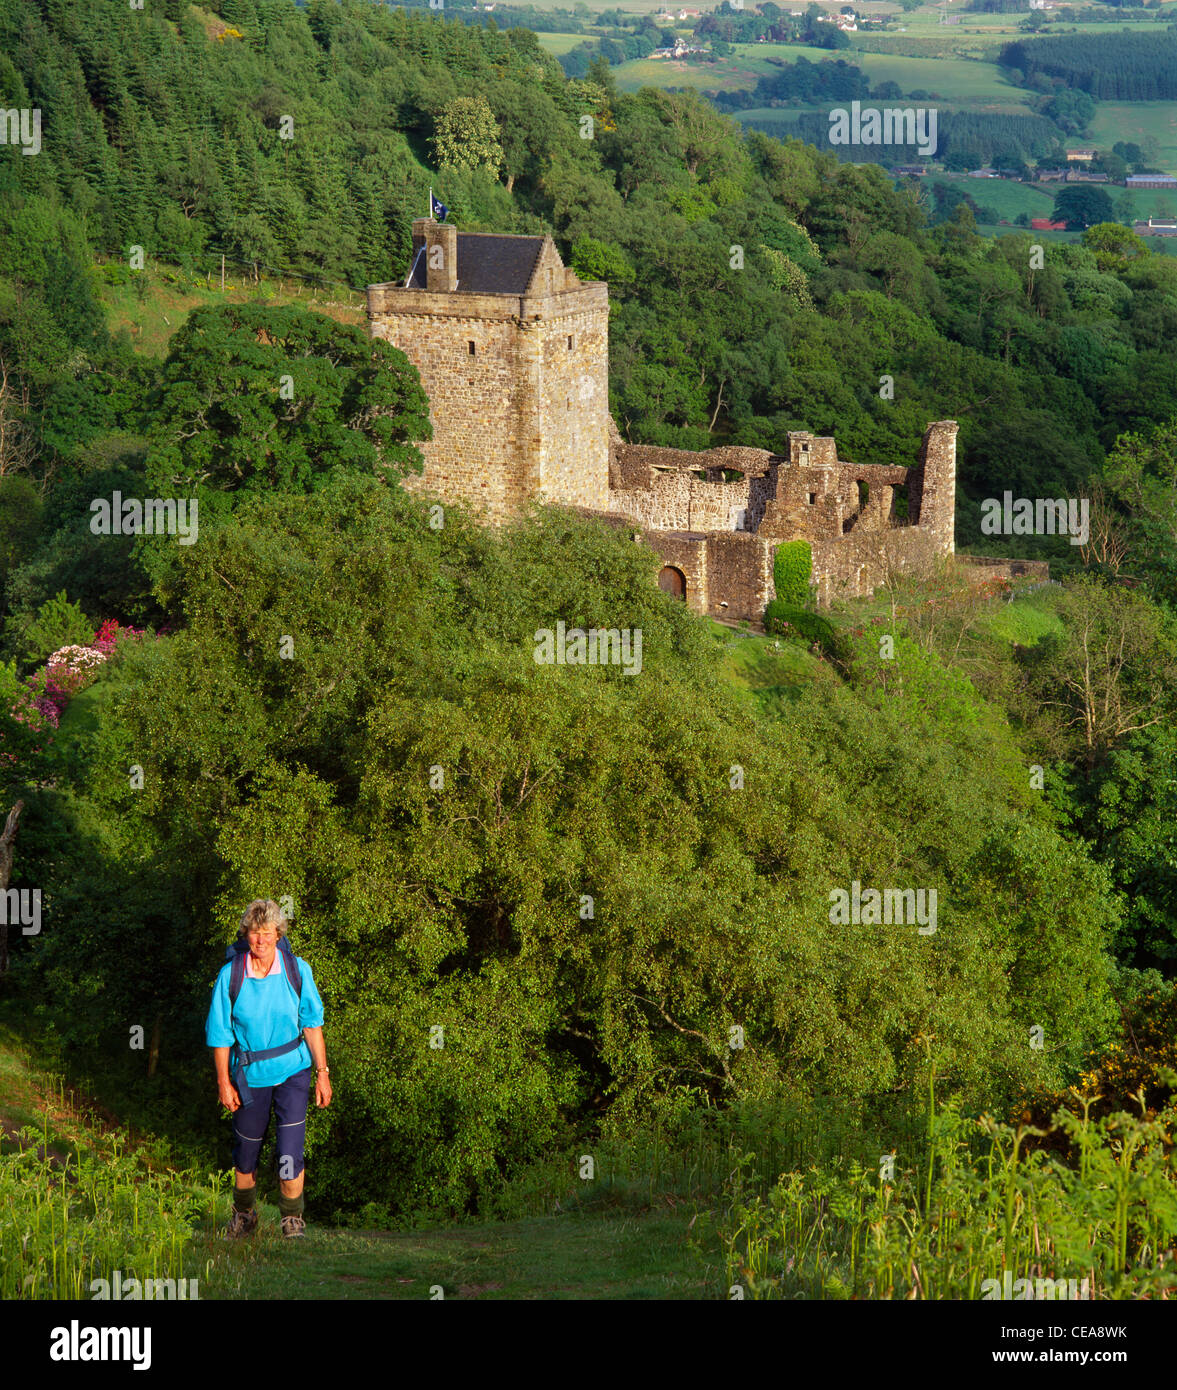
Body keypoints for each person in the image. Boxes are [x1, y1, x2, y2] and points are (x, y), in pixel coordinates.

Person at [205, 899, 332, 1239]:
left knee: (290, 1152)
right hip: (249, 1076)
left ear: (278, 934)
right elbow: (219, 1035)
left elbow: (312, 1024)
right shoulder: (231, 975)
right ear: (245, 935)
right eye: (253, 933)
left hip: (293, 1071)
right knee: (246, 1152)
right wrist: (223, 1082)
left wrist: (323, 1073)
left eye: (267, 933)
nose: (260, 941)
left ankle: (292, 1219)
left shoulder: (297, 969)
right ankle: (244, 1216)